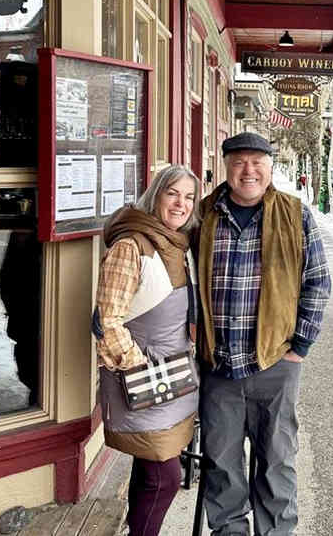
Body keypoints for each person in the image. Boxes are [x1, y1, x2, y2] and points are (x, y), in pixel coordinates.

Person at [196, 132, 331, 536]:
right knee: (221, 465)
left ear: (271, 167)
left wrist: (300, 346)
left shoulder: (295, 214)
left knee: (276, 464)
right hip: (219, 366)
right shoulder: (203, 215)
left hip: (275, 363)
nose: (248, 171)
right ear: (225, 166)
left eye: (257, 162)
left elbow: (318, 282)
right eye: (239, 162)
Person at [93, 165, 201, 536]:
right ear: (155, 195)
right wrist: (140, 368)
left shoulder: (179, 245)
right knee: (164, 478)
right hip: (143, 381)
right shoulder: (131, 246)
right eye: (173, 193)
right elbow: (107, 320)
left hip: (173, 379)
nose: (181, 204)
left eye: (189, 197)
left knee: (149, 468)